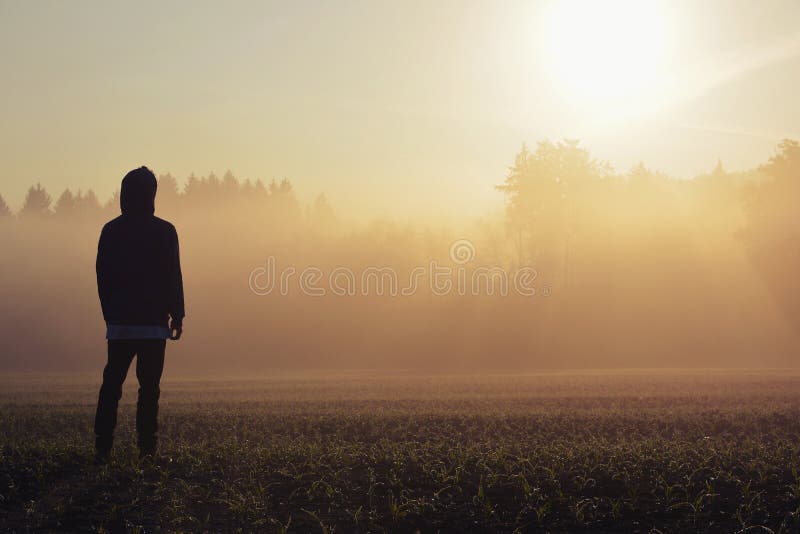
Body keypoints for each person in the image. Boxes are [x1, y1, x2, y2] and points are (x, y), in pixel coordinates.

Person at [93, 166, 185, 462]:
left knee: (111, 386)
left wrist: (109, 313)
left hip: (120, 324)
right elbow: (174, 275)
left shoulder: (111, 230)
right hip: (153, 326)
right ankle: (147, 449)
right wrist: (178, 314)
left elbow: (102, 276)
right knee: (149, 390)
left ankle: (103, 447)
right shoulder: (165, 231)